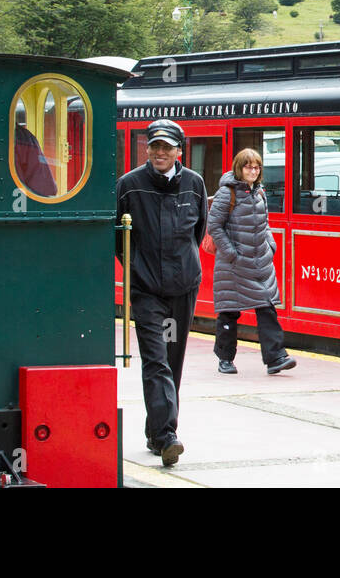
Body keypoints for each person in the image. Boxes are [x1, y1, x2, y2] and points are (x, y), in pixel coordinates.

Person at [116, 118, 207, 466]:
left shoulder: (194, 185)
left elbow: (197, 233)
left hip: (183, 287)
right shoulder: (129, 186)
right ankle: (168, 434)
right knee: (155, 361)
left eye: (167, 147)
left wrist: (182, 267)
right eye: (154, 146)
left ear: (179, 151)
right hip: (147, 289)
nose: (159, 152)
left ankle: (157, 433)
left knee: (173, 361)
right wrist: (138, 267)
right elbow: (118, 238)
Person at [207, 148, 296, 375]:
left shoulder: (259, 192)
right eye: (249, 167)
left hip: (260, 262)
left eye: (257, 167)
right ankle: (225, 359)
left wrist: (270, 245)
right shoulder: (227, 193)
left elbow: (265, 223)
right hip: (234, 264)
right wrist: (231, 253)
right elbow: (214, 226)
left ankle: (276, 357)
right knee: (230, 311)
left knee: (267, 307)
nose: (253, 171)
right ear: (239, 167)